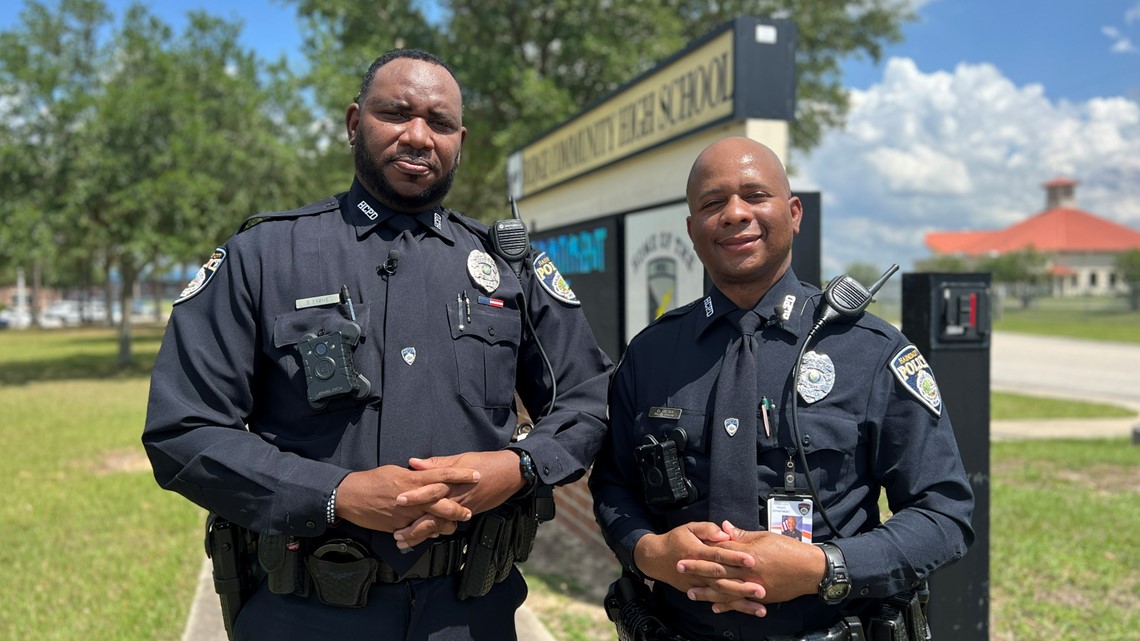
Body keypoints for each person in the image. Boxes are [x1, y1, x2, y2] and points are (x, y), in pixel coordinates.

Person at [143, 49, 612, 641]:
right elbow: (181, 430)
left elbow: (587, 399)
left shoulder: (508, 268)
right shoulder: (263, 258)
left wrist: (517, 467)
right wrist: (337, 495)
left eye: (439, 123)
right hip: (305, 612)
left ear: (459, 140)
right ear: (353, 123)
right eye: (395, 113)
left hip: (470, 613)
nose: (418, 136)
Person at [590, 137, 974, 640]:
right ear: (691, 230)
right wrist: (647, 550)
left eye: (755, 195)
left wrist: (826, 567)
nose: (734, 213)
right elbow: (614, 484)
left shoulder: (870, 351)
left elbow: (943, 513)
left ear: (793, 213)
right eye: (712, 203)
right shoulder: (651, 353)